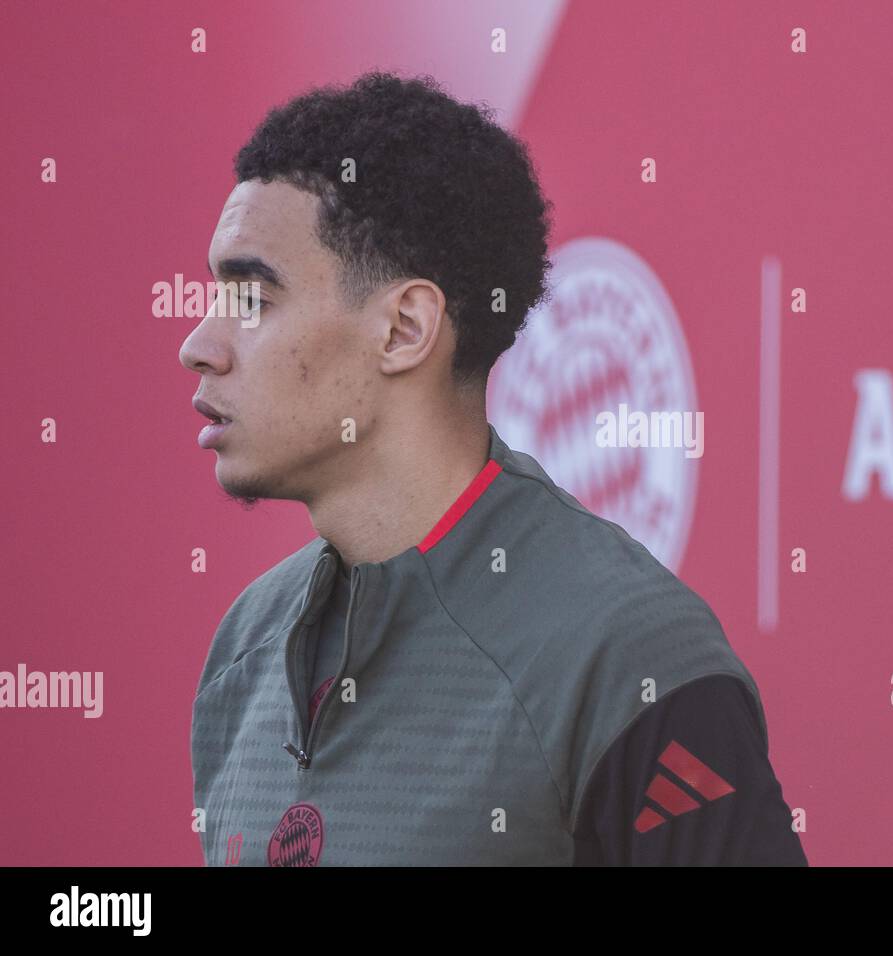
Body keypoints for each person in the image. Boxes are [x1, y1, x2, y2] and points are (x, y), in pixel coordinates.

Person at [180, 71, 807, 866]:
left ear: (405, 328)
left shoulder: (626, 654)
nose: (198, 343)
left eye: (251, 299)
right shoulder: (246, 645)